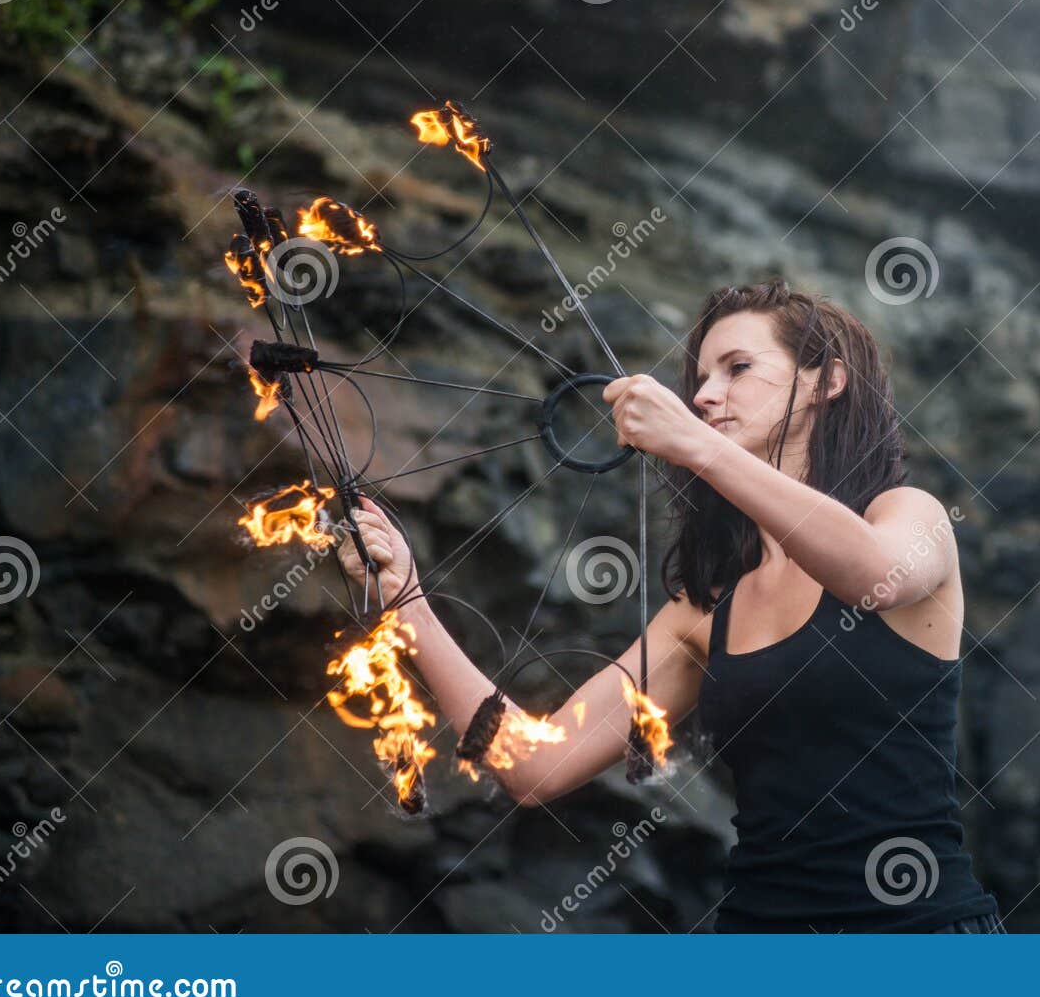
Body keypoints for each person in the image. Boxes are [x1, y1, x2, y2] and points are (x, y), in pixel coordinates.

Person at [339, 279, 1003, 933]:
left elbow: (873, 576)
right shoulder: (704, 612)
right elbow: (535, 765)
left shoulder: (908, 517)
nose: (706, 395)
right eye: (701, 379)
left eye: (738, 369)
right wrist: (409, 603)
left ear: (827, 381)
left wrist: (697, 445)